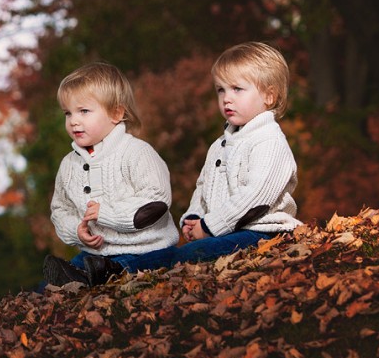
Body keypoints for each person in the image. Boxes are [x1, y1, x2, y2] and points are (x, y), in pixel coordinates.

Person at [83, 41, 301, 285]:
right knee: (168, 252)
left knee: (188, 256)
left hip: (263, 233)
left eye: (238, 89)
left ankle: (114, 270)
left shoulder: (268, 140)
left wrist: (208, 227)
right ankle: (87, 268)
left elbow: (256, 198)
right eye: (221, 90)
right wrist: (194, 216)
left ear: (269, 96)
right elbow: (204, 187)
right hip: (224, 231)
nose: (227, 98)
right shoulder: (220, 144)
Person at [42, 62, 179, 287]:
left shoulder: (136, 152)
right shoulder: (69, 165)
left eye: (84, 111)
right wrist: (77, 230)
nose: (74, 121)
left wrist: (105, 213)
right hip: (96, 251)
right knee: (61, 280)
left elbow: (156, 199)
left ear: (116, 113)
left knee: (124, 268)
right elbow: (60, 208)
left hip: (146, 247)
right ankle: (73, 278)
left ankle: (103, 274)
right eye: (68, 113)